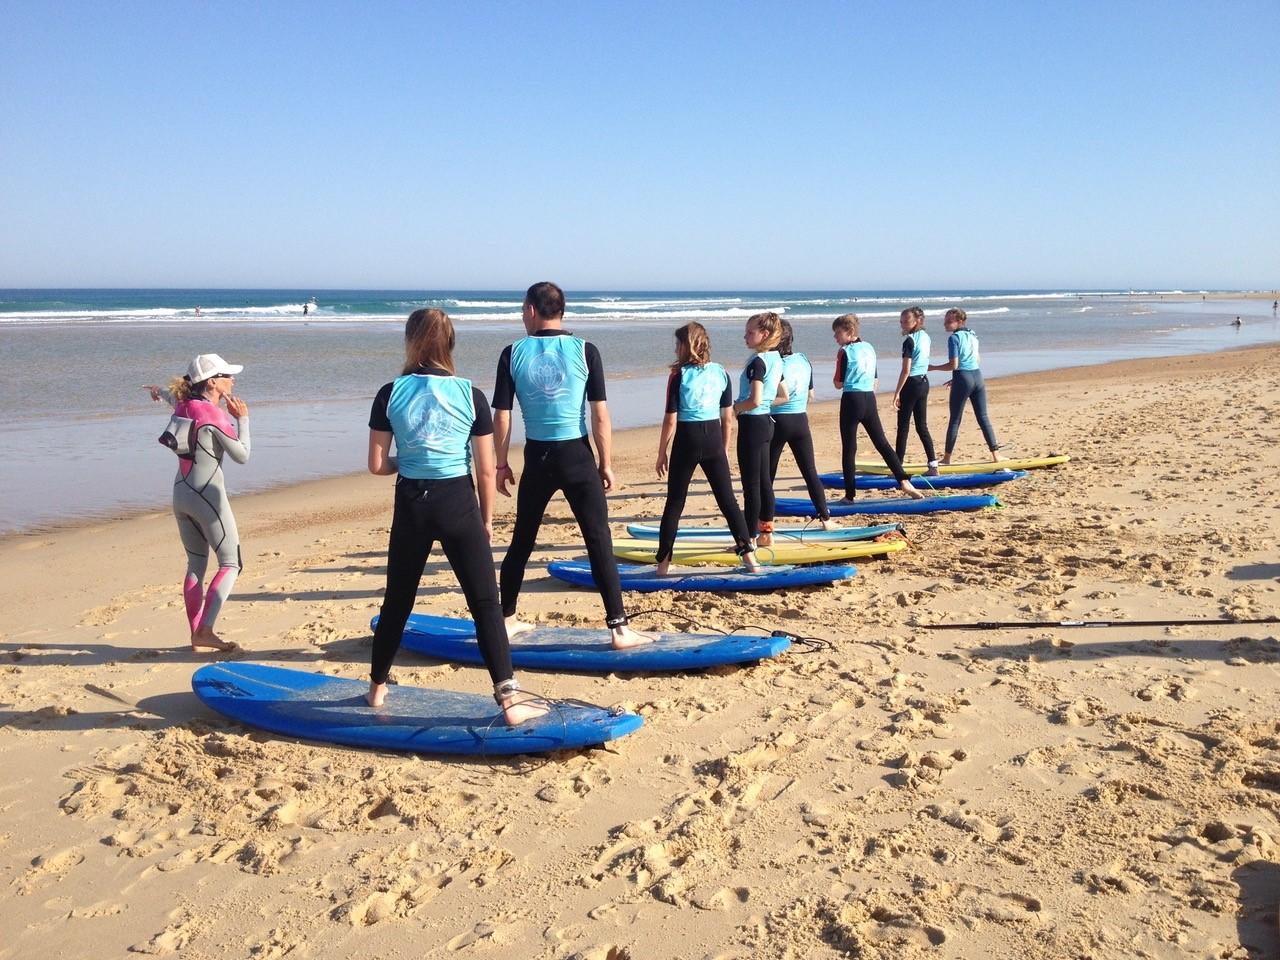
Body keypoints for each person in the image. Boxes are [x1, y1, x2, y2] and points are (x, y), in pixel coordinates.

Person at [366, 308, 545, 722]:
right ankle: (509, 699)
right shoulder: (471, 394)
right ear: (450, 344)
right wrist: (485, 520)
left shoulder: (389, 392)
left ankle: (376, 687)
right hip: (458, 502)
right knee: (484, 601)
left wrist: (407, 460)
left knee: (399, 599)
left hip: (411, 501)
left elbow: (376, 464)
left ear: (410, 341)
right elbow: (485, 470)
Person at [492, 282, 652, 649]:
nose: (521, 315)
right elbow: (599, 413)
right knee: (598, 538)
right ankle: (619, 629)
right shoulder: (585, 350)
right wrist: (606, 462)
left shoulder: (511, 353)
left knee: (522, 540)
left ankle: (506, 619)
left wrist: (501, 464)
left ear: (532, 310)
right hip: (577, 456)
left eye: (522, 309)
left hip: (538, 456)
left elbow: (501, 415)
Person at [145, 353, 250, 652]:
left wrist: (157, 391)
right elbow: (242, 455)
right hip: (208, 498)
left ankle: (196, 634)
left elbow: (171, 397)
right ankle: (205, 631)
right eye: (227, 376)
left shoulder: (183, 405)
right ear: (213, 382)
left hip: (181, 495)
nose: (233, 380)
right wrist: (242, 420)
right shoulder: (215, 417)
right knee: (231, 563)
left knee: (196, 564)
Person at [654, 322, 761, 576]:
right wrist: (723, 448)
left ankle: (663, 565)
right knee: (728, 502)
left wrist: (662, 452)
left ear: (685, 345)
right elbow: (727, 418)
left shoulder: (678, 376)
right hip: (713, 440)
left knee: (675, 503)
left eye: (677, 343)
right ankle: (750, 560)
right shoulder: (721, 372)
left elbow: (670, 419)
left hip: (687, 441)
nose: (675, 348)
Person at [831, 315, 923, 502]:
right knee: (882, 443)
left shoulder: (844, 352)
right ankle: (905, 482)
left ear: (849, 332)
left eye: (837, 333)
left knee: (849, 448)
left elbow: (838, 383)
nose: (835, 338)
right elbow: (875, 379)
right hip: (869, 399)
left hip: (851, 400)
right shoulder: (870, 348)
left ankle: (849, 495)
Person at [765, 319, 836, 530]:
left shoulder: (772, 363)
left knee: (767, 473)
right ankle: (825, 518)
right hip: (800, 421)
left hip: (777, 421)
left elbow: (768, 396)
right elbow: (810, 395)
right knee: (809, 471)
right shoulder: (804, 360)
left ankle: (764, 520)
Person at [731, 311, 788, 547]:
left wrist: (735, 408)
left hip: (753, 425)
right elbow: (783, 396)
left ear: (764, 334)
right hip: (766, 423)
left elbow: (754, 400)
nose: (745, 336)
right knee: (764, 482)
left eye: (750, 332)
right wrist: (763, 403)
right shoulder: (776, 359)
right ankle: (766, 533)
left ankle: (749, 539)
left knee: (751, 485)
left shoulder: (758, 362)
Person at [927, 308, 1004, 464]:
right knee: (983, 417)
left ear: (960, 321)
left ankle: (947, 458)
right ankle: (996, 455)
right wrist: (957, 379)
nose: (945, 324)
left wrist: (933, 367)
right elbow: (976, 359)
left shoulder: (954, 338)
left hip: (964, 378)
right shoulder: (973, 334)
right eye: (945, 321)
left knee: (955, 420)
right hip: (978, 377)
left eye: (949, 321)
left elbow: (953, 365)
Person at [893, 306, 940, 476]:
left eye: (906, 321)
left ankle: (898, 467)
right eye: (901, 321)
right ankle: (933, 465)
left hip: (911, 384)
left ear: (917, 321)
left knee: (903, 427)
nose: (903, 324)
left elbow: (906, 370)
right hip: (924, 382)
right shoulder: (926, 337)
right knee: (922, 426)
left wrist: (897, 392)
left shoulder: (909, 340)